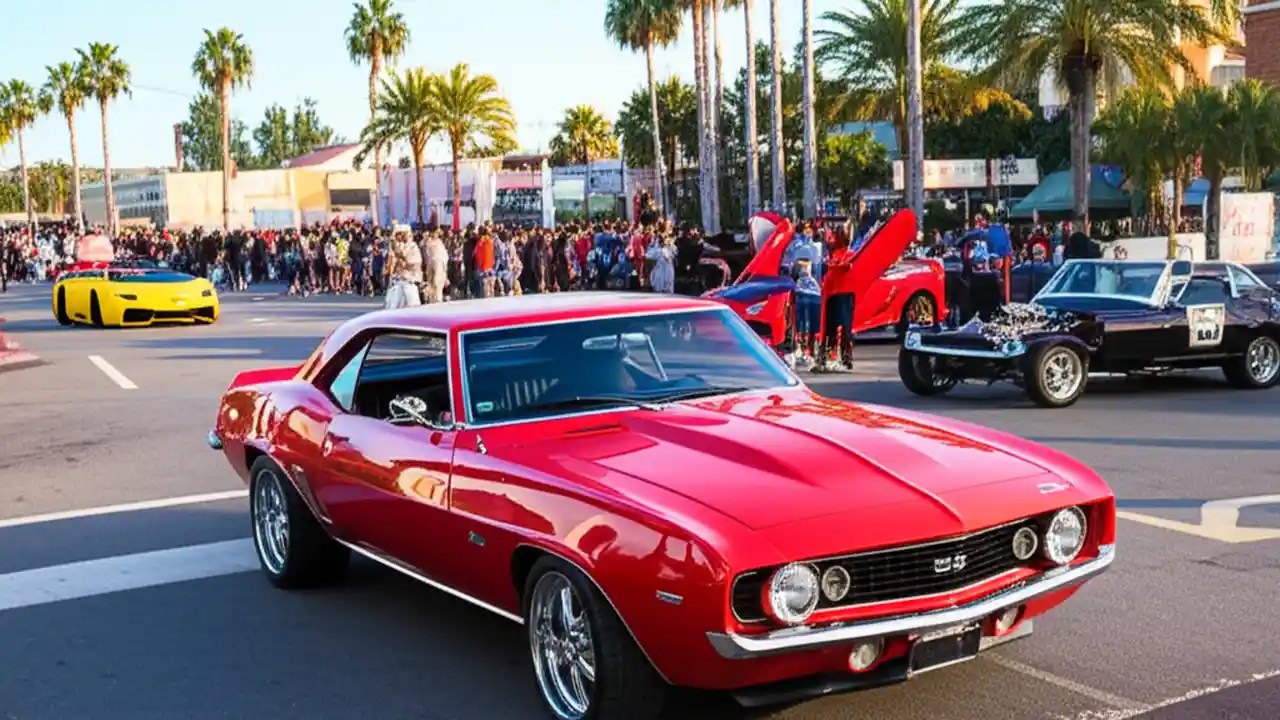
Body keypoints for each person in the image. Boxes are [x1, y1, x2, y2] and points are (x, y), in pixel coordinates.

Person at [384, 224, 423, 309]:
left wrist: (403, 262)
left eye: (400, 234)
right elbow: (392, 262)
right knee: (393, 306)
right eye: (397, 234)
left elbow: (414, 263)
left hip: (409, 281)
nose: (398, 236)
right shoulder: (396, 246)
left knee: (412, 307)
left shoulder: (413, 247)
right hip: (398, 280)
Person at [421, 231, 449, 304]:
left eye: (436, 233)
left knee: (437, 282)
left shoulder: (440, 243)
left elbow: (444, 256)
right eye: (433, 233)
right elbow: (423, 247)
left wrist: (444, 266)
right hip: (430, 263)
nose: (434, 235)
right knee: (430, 282)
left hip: (439, 263)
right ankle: (432, 299)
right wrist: (426, 238)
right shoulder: (427, 242)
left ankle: (438, 298)